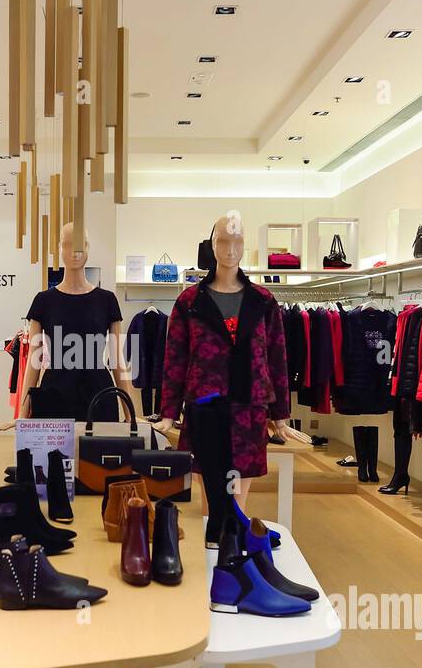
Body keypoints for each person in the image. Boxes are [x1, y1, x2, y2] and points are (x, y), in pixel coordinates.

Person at [155, 215, 293, 543]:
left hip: (249, 409)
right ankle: (214, 564)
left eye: (237, 241)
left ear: (246, 246)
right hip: (204, 408)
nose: (230, 249)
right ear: (211, 245)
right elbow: (174, 359)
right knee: (212, 504)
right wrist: (169, 412)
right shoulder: (190, 302)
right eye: (223, 241)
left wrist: (281, 414)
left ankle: (235, 562)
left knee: (238, 500)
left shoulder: (263, 301)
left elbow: (277, 358)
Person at [18, 223, 132, 421]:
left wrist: (131, 414)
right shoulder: (44, 301)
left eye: (80, 245)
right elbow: (33, 362)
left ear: (88, 247)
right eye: (67, 244)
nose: (74, 252)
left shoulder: (107, 300)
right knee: (54, 452)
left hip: (99, 394)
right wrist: (22, 412)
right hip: (55, 395)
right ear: (59, 248)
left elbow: (117, 360)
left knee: (100, 452)